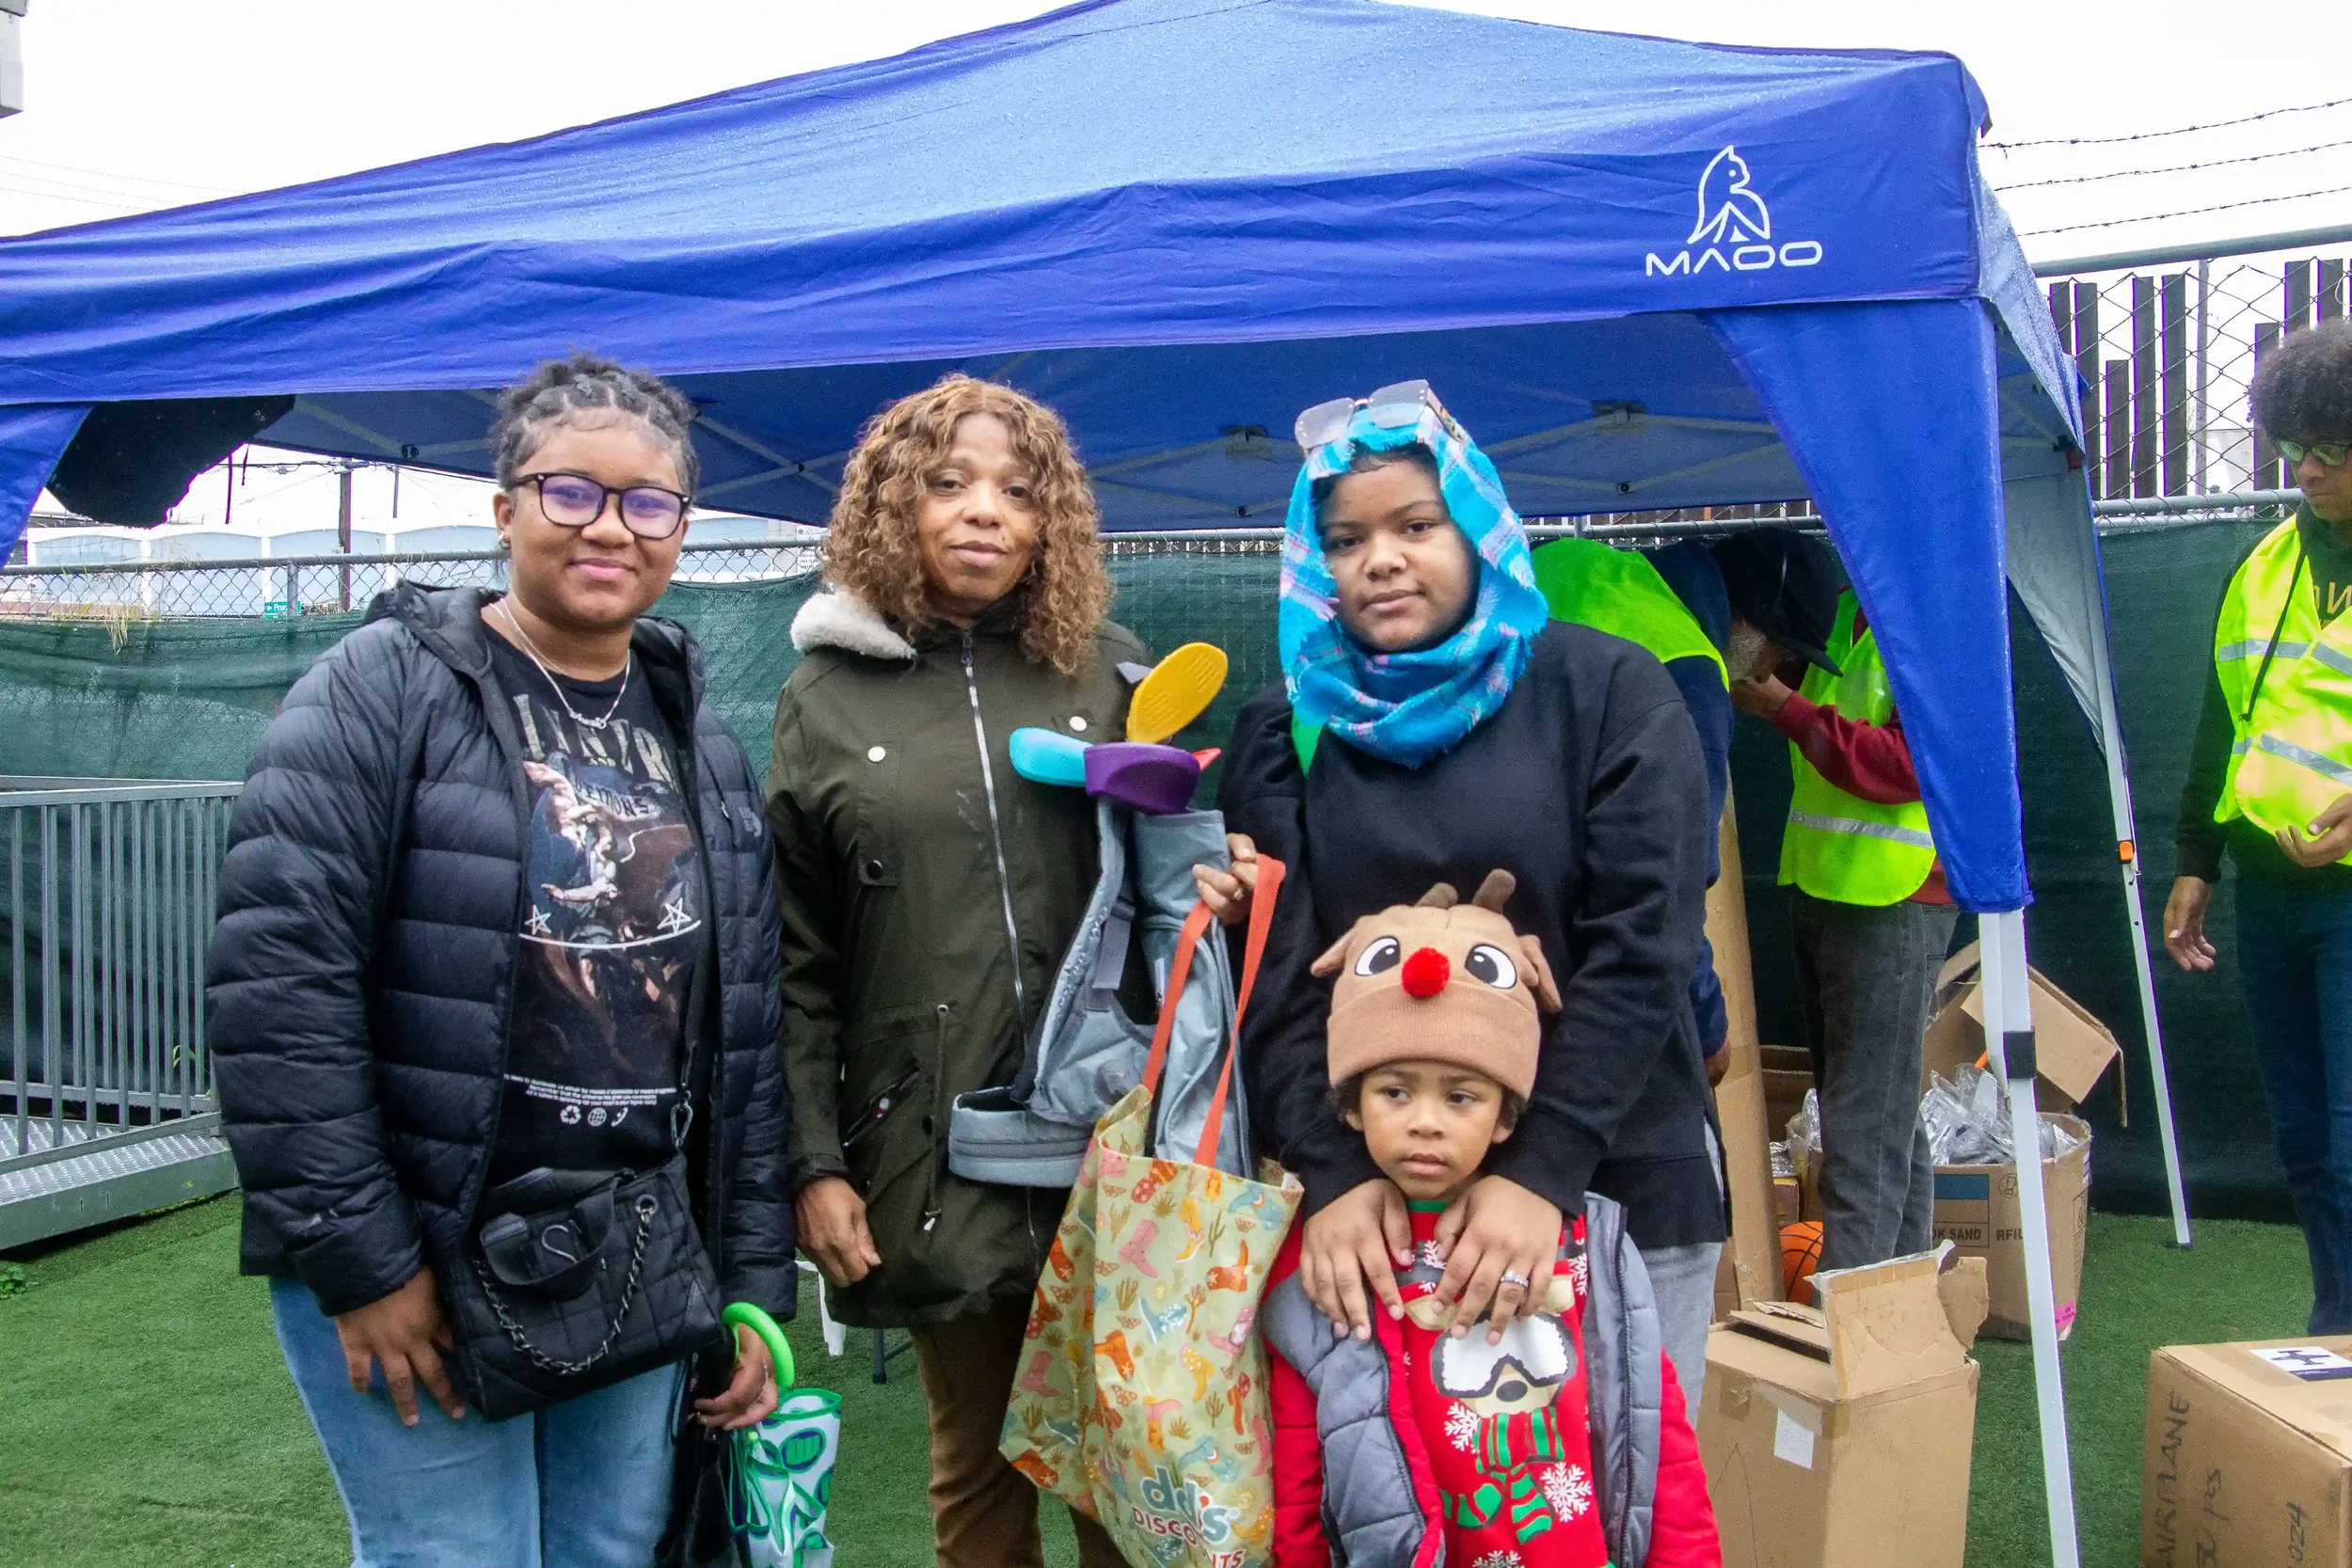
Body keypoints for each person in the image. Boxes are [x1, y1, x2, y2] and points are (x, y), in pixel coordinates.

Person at [210, 352, 792, 1568]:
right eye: (572, 491)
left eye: (649, 503)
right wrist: (364, 1257)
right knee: (453, 1552)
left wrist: (747, 1282)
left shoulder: (705, 740)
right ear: (507, 506)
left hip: (632, 1243)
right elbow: (280, 988)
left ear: (681, 525)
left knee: (610, 1547)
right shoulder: (376, 692)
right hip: (426, 1239)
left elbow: (744, 1037)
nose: (610, 527)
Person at [1198, 381, 1723, 1398]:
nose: (1380, 558)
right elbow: (1272, 971)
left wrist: (1542, 1172)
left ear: (1480, 527)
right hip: (1379, 1226)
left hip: (1609, 1189)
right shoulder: (1287, 729)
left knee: (1614, 1513)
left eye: (1416, 524)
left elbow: (1645, 942)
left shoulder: (1608, 692)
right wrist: (1333, 1173)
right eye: (1345, 540)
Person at [768, 374, 1145, 1568]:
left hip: (1109, 1140)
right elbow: (796, 958)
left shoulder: (1108, 672)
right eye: (948, 483)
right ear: (895, 505)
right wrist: (815, 1163)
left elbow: (1175, 892)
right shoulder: (822, 695)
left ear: (1051, 523)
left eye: (1016, 491)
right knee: (977, 1469)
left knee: (1121, 1464)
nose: (983, 510)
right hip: (926, 1147)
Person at [1262, 873, 1718, 1568]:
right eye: (1394, 1089)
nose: (1424, 1121)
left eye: (1462, 1096)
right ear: (1349, 1104)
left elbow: (1658, 1439)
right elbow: (1299, 1475)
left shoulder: (1582, 1248)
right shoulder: (1326, 1255)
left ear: (1508, 1114)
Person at [2167, 320, 2352, 1333]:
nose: (2307, 471)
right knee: (2304, 1142)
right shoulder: (2264, 563)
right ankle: (2336, 1327)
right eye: (2293, 450)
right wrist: (2198, 859)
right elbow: (2222, 716)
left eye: (2329, 449)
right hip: (2271, 895)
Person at [1715, 526, 1952, 1274]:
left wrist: (1784, 706)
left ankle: (1851, 1333)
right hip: (1826, 885)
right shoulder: (1834, 607)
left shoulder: (1932, 623)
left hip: (1897, 898)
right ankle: (1901, 1307)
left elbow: (1913, 766)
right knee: (1878, 1115)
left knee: (1861, 1128)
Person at [1534, 537, 1735, 1085]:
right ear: (1750, 625)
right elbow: (1674, 878)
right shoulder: (1688, 665)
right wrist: (1707, 1023)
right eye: (1779, 655)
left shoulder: (1568, 566)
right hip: (1590, 972)